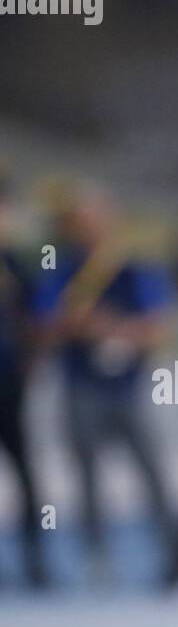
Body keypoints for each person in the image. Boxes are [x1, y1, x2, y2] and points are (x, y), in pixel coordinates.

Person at [32, 185, 178, 587]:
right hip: (82, 388)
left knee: (153, 472)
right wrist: (83, 325)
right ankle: (98, 560)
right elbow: (45, 325)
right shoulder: (63, 269)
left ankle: (175, 555)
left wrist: (112, 329)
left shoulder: (135, 266)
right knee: (87, 478)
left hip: (129, 390)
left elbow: (159, 326)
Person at [0, 174, 46, 588]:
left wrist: (29, 365)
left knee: (24, 470)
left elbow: (35, 323)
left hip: (8, 387)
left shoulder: (15, 264)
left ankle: (35, 561)